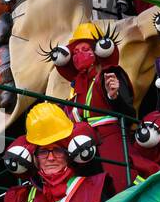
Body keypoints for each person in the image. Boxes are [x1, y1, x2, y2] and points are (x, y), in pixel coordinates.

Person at [45, 22, 136, 191]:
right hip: (83, 149)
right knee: (90, 194)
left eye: (85, 50)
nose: (79, 55)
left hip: (111, 143)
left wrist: (114, 96)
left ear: (97, 52)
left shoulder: (110, 75)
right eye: (76, 53)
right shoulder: (75, 91)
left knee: (120, 187)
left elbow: (130, 113)